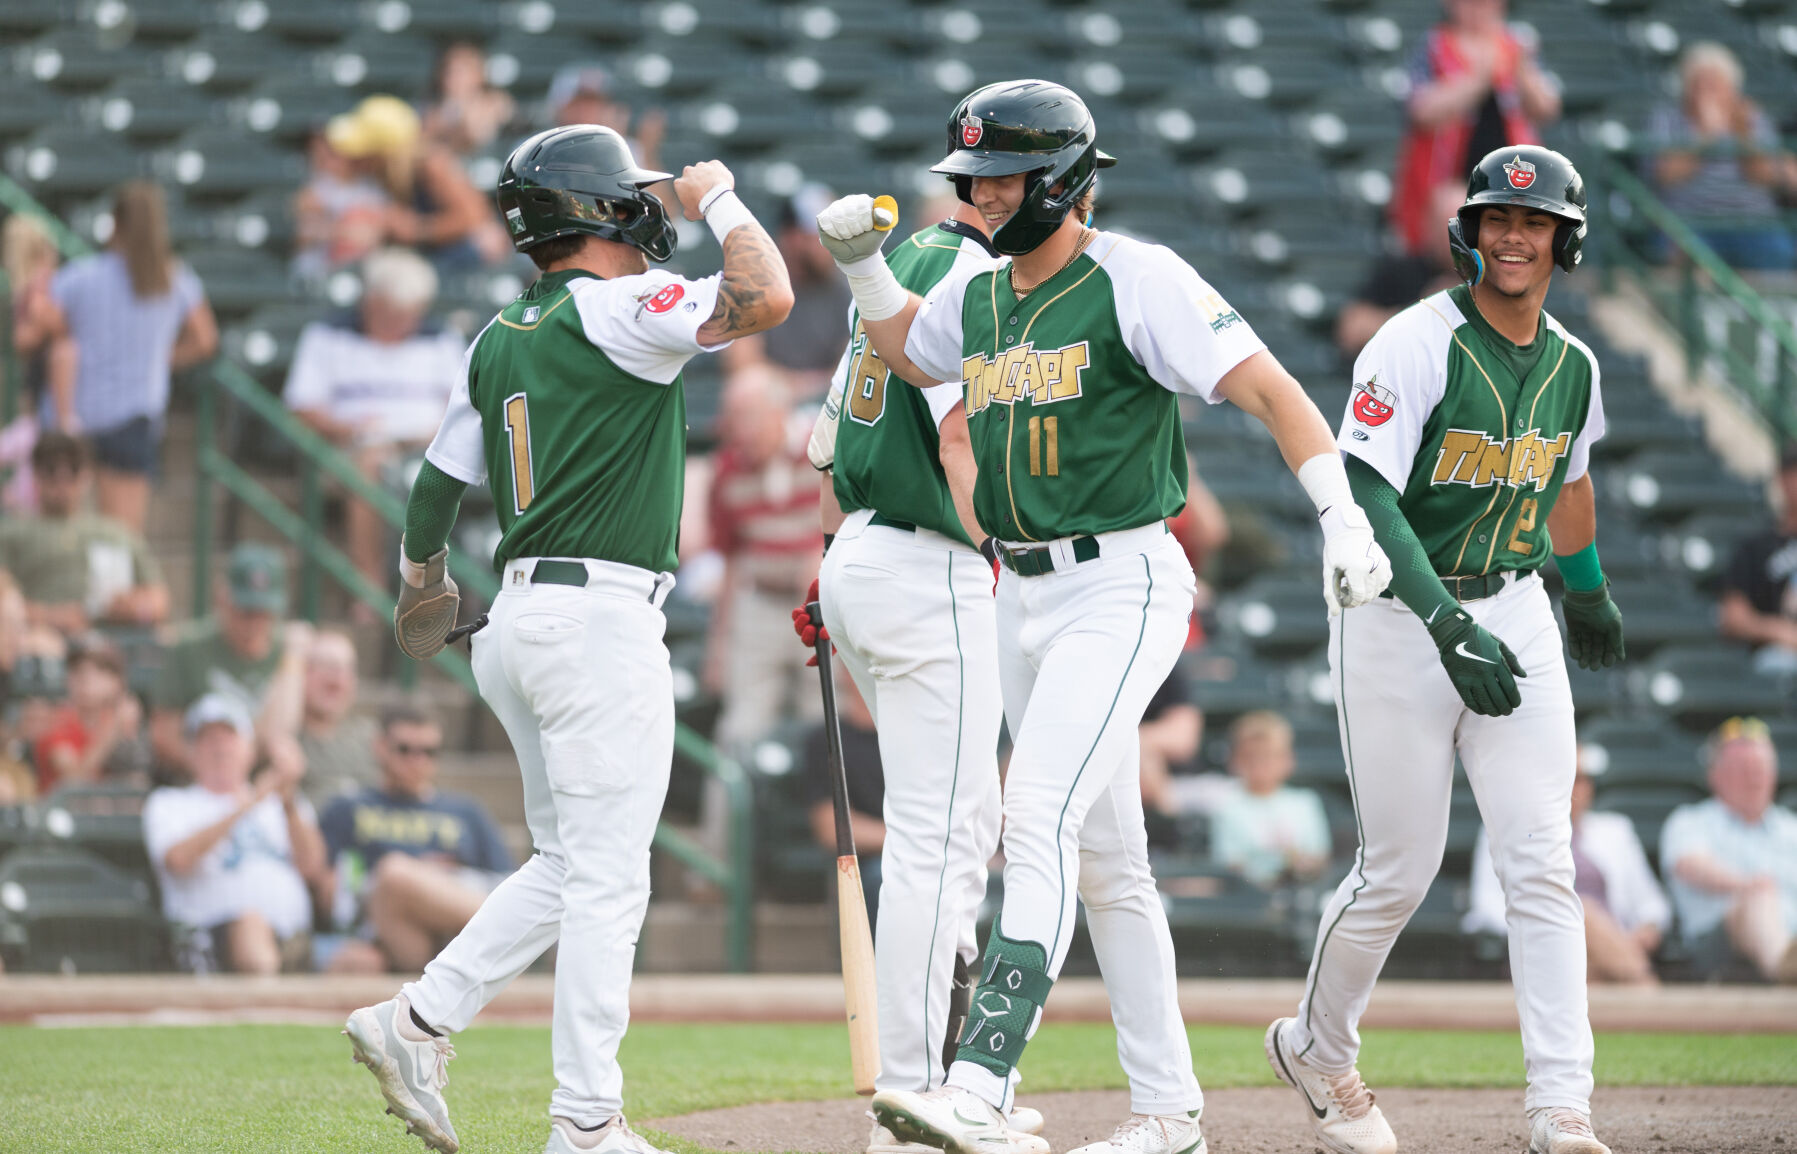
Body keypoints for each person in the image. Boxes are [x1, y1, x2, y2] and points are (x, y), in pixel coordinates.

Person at [823, 79, 1392, 1154]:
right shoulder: (981, 292)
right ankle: (1168, 1110)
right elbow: (910, 349)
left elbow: (1269, 386)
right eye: (972, 180)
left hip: (1121, 578)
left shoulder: (1137, 275)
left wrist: (1341, 518)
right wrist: (862, 270)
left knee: (1033, 816)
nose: (982, 198)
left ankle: (981, 1081)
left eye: (1000, 179)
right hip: (1022, 588)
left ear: (1063, 181)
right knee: (1109, 864)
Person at [343, 125, 791, 1154]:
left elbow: (431, 492)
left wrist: (423, 583)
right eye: (627, 193)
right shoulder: (625, 303)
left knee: (567, 861)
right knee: (607, 876)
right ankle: (586, 1122)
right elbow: (767, 298)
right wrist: (722, 197)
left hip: (516, 619)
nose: (648, 208)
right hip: (598, 619)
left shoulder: (496, 334)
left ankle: (415, 1019)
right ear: (594, 209)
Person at [1264, 145, 1623, 1154]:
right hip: (1395, 617)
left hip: (1512, 607)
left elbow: (1571, 479)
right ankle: (1317, 1046)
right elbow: (1366, 488)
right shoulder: (1413, 340)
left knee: (1542, 859)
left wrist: (1586, 589)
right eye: (1497, 217)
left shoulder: (1575, 365)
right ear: (1470, 229)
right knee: (1399, 867)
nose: (1513, 234)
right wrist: (1442, 618)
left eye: (1534, 221)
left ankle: (1563, 1102)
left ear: (1564, 238)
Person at [792, 168, 1054, 1154]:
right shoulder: (968, 280)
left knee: (961, 824)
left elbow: (823, 450)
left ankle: (955, 1073)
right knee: (940, 840)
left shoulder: (898, 268)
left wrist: (830, 573)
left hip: (864, 548)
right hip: (928, 558)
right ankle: (912, 1100)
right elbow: (958, 440)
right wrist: (1017, 553)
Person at [25, 181, 217, 531]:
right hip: (132, 421)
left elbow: (35, 329)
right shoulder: (176, 279)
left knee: (62, 543)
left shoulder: (82, 276)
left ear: (115, 223)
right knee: (120, 549)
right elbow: (205, 340)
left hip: (72, 423)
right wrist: (161, 358)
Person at [283, 247, 467, 587]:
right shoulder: (326, 334)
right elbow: (301, 406)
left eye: (410, 314)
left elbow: (464, 407)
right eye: (392, 313)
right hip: (349, 448)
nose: (402, 323)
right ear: (371, 301)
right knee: (372, 464)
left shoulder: (442, 338)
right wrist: (348, 428)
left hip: (425, 446)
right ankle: (367, 587)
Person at [320, 705, 514, 973]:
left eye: (429, 752)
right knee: (393, 876)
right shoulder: (348, 807)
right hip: (393, 927)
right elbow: (328, 890)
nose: (417, 761)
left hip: (461, 929)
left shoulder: (467, 811)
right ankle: (517, 931)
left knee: (397, 873)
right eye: (404, 750)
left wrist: (434, 880)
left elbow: (505, 880)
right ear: (380, 747)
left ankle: (512, 932)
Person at [142, 693, 326, 974]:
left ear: (250, 749)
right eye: (207, 738)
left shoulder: (281, 801)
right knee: (251, 925)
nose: (219, 747)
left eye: (229, 737)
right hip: (209, 939)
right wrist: (251, 801)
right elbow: (177, 860)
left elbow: (313, 868)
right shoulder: (169, 802)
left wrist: (288, 804)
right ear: (190, 751)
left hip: (294, 939)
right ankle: (267, 1013)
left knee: (362, 961)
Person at [1466, 746, 1669, 986]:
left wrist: (1646, 928)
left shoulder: (1616, 831)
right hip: (1540, 942)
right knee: (1580, 910)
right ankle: (1645, 987)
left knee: (1583, 971)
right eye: (1563, 777)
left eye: (1580, 780)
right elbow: (1486, 902)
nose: (1572, 788)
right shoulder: (1505, 830)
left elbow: (1652, 902)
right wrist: (1542, 926)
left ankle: (1631, 978)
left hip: (1610, 947)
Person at [705, 364, 825, 754]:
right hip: (758, 603)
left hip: (819, 608)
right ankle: (731, 816)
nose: (743, 430)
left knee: (824, 722)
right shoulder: (727, 470)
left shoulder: (821, 453)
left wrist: (825, 555)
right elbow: (729, 559)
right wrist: (719, 645)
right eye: (735, 418)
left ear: (782, 412)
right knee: (741, 730)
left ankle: (818, 815)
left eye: (751, 417)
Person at [1390, 0, 1560, 256]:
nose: (1478, 8)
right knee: (1454, 213)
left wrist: (1521, 71)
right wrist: (1477, 80)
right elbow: (1421, 110)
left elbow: (1547, 108)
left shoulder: (1518, 46)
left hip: (1512, 178)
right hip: (1450, 178)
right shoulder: (1434, 45)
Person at [1659, 717, 1797, 983]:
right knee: (1758, 899)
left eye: (1761, 768)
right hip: (1716, 947)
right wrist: (1747, 884)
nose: (1754, 777)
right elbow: (1690, 864)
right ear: (1715, 775)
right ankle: (1787, 968)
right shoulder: (1691, 821)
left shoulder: (1791, 827)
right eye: (1743, 769)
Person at [148, 543, 308, 772]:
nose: (254, 622)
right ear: (223, 598)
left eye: (263, 612)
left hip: (262, 783)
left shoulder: (287, 649)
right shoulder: (189, 648)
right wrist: (218, 773)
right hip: (198, 783)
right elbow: (164, 736)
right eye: (245, 611)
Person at [1647, 42, 1797, 271]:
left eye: (1716, 83)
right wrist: (1705, 137)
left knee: (1779, 253)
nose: (1708, 90)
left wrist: (1744, 135)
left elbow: (1764, 176)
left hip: (1753, 222)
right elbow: (1665, 176)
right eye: (1700, 83)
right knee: (1685, 260)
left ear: (1732, 88)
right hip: (1689, 222)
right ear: (1686, 87)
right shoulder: (1666, 117)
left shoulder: (1751, 117)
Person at [0, 432, 169, 634]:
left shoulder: (115, 532)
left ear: (85, 475)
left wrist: (135, 608)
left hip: (109, 645)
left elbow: (159, 600)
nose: (62, 480)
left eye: (72, 469)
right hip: (38, 643)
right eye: (51, 470)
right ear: (36, 475)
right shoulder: (12, 533)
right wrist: (50, 617)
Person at [326, 95, 502, 273]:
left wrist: (418, 230)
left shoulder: (430, 164)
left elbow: (474, 217)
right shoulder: (387, 176)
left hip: (466, 258)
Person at [728, 185, 853, 396]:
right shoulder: (754, 284)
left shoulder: (844, 289)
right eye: (823, 235)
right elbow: (742, 364)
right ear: (791, 238)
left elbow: (854, 364)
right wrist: (795, 387)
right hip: (771, 403)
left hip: (830, 403)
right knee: (751, 385)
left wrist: (808, 388)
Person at [1337, 182, 1467, 361]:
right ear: (1430, 225)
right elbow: (1351, 330)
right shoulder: (1401, 269)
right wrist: (1423, 312)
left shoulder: (1489, 276)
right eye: (1449, 228)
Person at [799, 673, 887, 924]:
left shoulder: (921, 735)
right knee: (883, 878)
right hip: (870, 865)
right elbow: (832, 830)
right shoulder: (825, 739)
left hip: (930, 858)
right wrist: (917, 843)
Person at [3, 211, 74, 515]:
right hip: (41, 396)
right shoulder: (35, 287)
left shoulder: (42, 289)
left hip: (54, 399)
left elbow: (57, 332)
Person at [1209, 711, 1330, 887]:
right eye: (1251, 756)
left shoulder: (1306, 803)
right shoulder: (1226, 808)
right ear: (1235, 760)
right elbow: (1228, 864)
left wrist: (1299, 865)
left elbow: (1319, 857)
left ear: (1288, 760)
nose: (1260, 764)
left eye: (1270, 756)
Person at [32, 632, 149, 794]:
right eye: (78, 670)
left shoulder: (122, 719)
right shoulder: (54, 721)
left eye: (100, 669)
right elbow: (74, 781)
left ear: (118, 681)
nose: (87, 678)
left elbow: (139, 781)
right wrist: (113, 732)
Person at [1718, 446, 1797, 673]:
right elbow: (1733, 617)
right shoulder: (1755, 547)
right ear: (1783, 479)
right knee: (1777, 664)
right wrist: (1779, 631)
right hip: (1780, 657)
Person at [291, 129, 391, 281]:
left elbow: (376, 235)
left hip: (359, 272)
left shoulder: (372, 190)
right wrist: (344, 231)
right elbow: (304, 234)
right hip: (317, 271)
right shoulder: (316, 188)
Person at [297, 628, 380, 806]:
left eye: (345, 669)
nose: (337, 677)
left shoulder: (372, 736)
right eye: (325, 665)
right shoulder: (284, 733)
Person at [423, 41, 515, 160]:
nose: (455, 79)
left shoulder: (497, 101)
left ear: (479, 74)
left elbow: (474, 135)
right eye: (450, 72)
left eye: (462, 72)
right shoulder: (434, 108)